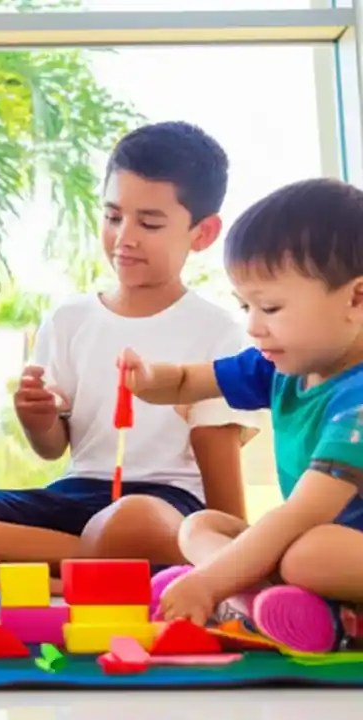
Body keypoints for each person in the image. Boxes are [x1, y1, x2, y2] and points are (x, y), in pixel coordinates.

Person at [0, 122, 259, 573]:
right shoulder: (69, 320)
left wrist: (232, 556)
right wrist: (38, 419)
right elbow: (52, 449)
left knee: (127, 521)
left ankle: (15, 566)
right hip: (75, 494)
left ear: (203, 233)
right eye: (113, 216)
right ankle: (91, 568)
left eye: (150, 222)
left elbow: (224, 498)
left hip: (161, 509)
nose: (125, 238)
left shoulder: (219, 332)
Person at [125, 177, 363, 653]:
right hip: (313, 542)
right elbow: (190, 380)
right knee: (199, 525)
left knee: (306, 554)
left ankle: (333, 619)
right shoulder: (283, 366)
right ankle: (262, 598)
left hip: (329, 548)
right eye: (245, 305)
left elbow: (303, 512)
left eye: (270, 307)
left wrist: (209, 582)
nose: (253, 325)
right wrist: (151, 379)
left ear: (356, 299)